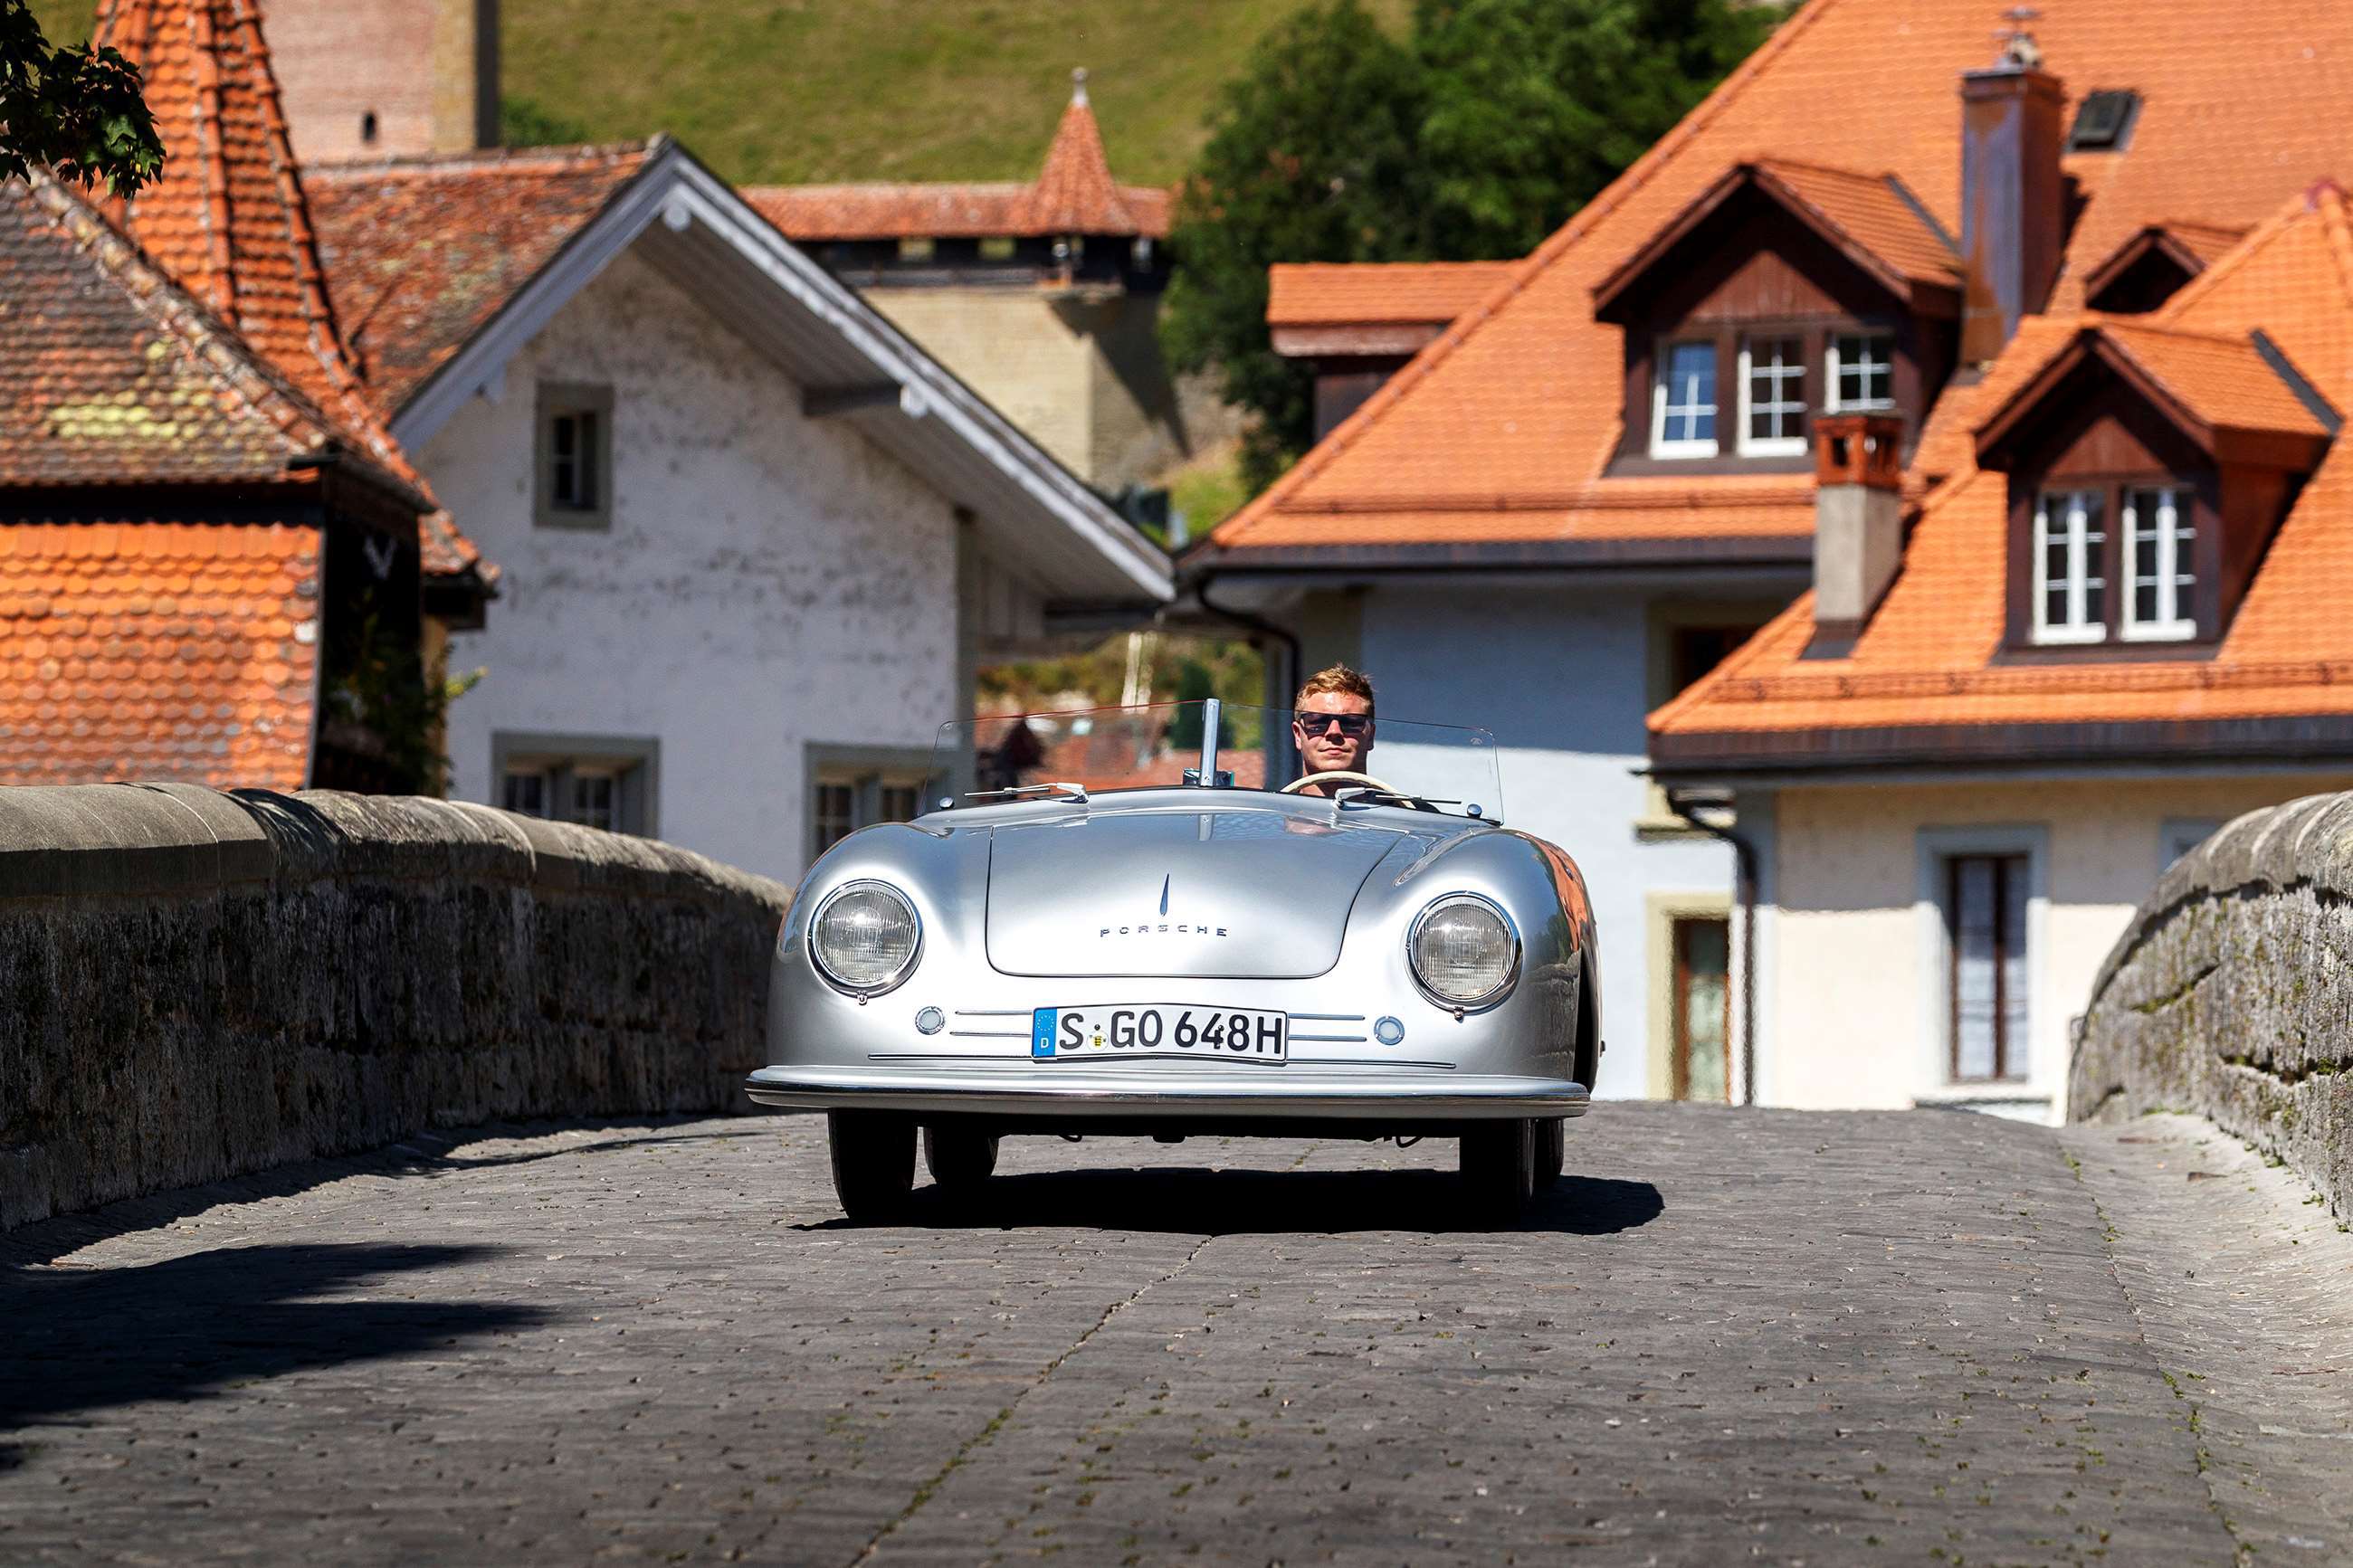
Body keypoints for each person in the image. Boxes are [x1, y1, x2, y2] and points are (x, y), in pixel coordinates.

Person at [1289, 663, 1377, 797]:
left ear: (1370, 736)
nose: (1334, 732)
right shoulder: (1270, 814)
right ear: (1297, 735)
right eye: (1318, 722)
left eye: (1350, 722)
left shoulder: (1402, 815)